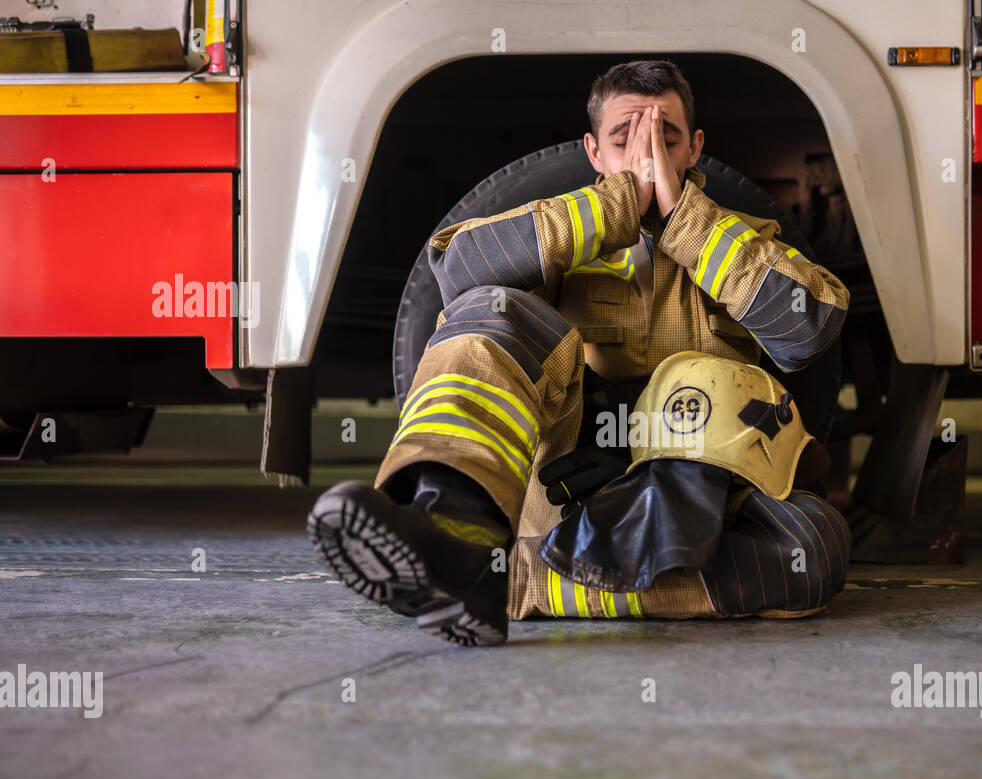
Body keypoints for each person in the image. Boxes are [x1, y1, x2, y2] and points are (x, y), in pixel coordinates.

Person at [308, 60, 851, 646]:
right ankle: (456, 525)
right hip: (566, 489)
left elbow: (810, 327)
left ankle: (498, 578)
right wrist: (617, 207)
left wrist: (685, 221)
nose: (649, 155)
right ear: (593, 152)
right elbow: (457, 267)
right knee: (493, 307)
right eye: (626, 139)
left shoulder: (744, 238)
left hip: (703, 494)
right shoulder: (561, 231)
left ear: (696, 147)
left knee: (810, 549)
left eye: (666, 138)